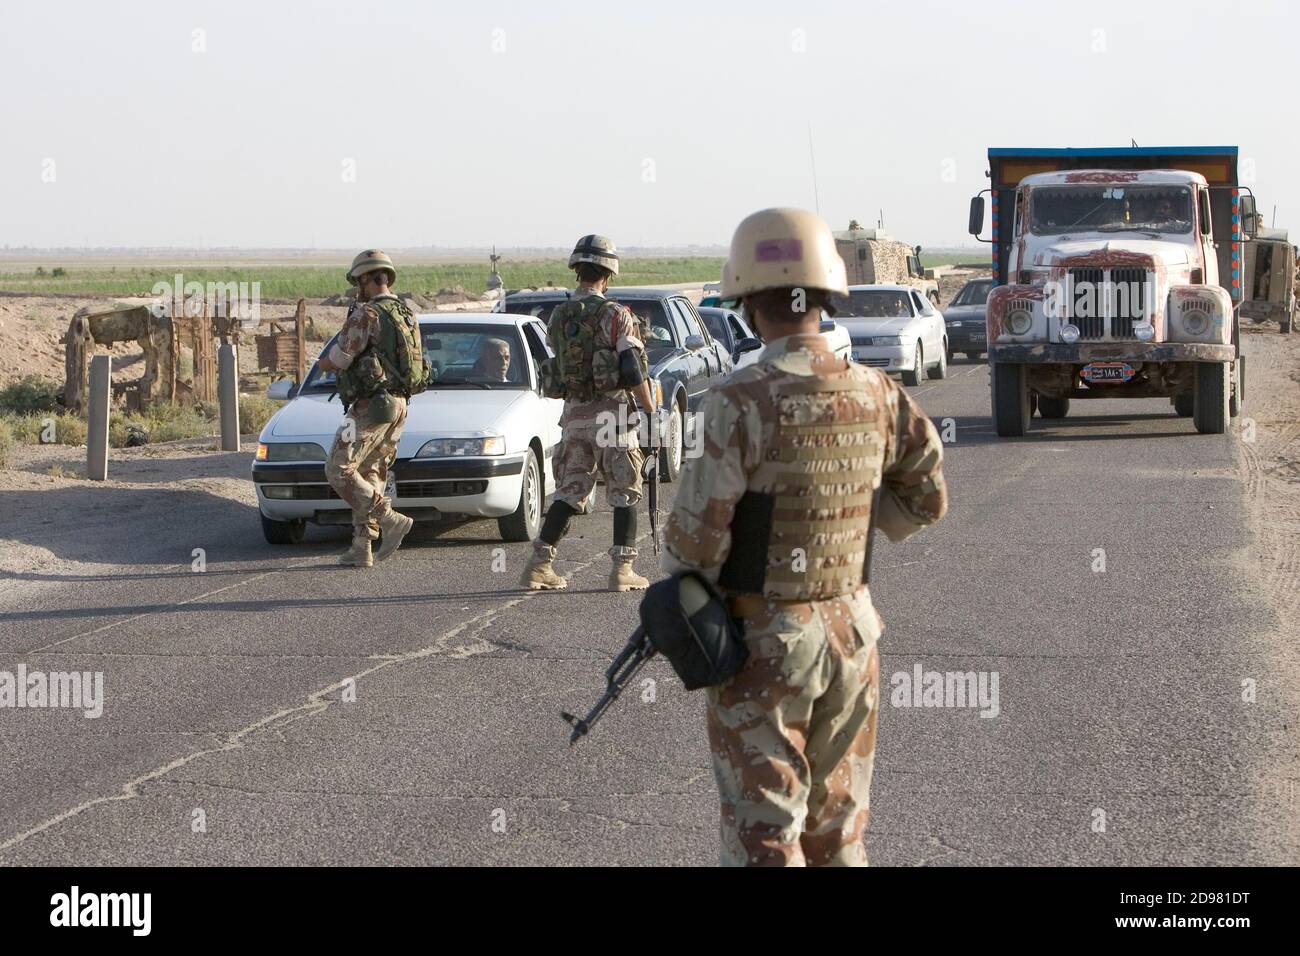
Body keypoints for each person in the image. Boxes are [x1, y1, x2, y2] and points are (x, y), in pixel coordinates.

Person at [661, 208, 949, 866]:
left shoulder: (737, 401)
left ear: (748, 305)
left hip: (766, 644)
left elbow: (693, 549)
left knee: (765, 838)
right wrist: (841, 523)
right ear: (824, 297)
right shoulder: (878, 392)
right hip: (854, 631)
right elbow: (928, 495)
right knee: (838, 832)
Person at [519, 234, 658, 592]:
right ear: (608, 275)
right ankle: (623, 570)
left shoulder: (559, 315)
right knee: (624, 491)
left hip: (574, 417)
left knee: (569, 491)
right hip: (611, 416)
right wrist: (651, 411)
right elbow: (633, 368)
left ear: (577, 270)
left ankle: (539, 565)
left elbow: (557, 359)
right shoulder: (616, 315)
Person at [317, 249, 424, 568]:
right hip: (399, 404)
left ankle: (389, 518)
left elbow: (339, 359)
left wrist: (322, 363)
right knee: (372, 470)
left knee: (338, 469)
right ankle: (362, 545)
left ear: (366, 278)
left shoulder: (368, 314)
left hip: (371, 406)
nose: (356, 289)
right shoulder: (406, 313)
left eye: (357, 282)